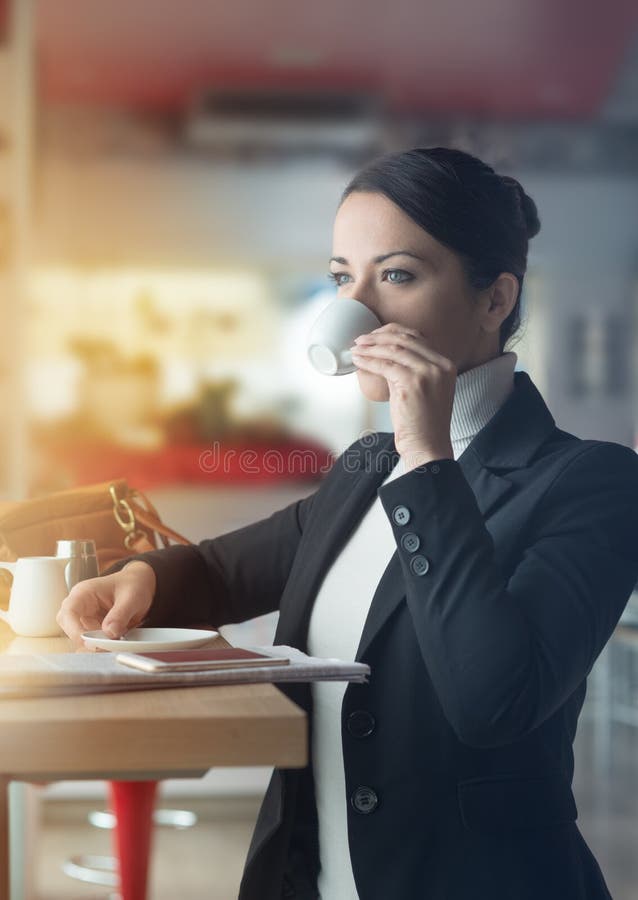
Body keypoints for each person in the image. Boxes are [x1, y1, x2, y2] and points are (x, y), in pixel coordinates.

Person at [58, 147, 638, 900]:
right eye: (342, 280)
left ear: (495, 300)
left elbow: (496, 702)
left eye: (396, 275)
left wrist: (427, 454)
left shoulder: (593, 481)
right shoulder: (365, 466)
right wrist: (137, 577)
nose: (356, 310)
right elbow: (221, 573)